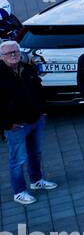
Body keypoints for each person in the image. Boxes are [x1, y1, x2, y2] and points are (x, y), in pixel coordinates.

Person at [2, 40, 58, 204]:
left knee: (36, 153)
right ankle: (19, 192)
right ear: (1, 56)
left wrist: (43, 110)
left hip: (36, 119)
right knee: (17, 160)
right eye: (9, 53)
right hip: (16, 126)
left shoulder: (26, 68)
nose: (13, 55)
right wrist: (7, 124)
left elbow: (39, 90)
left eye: (16, 52)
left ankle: (36, 180)